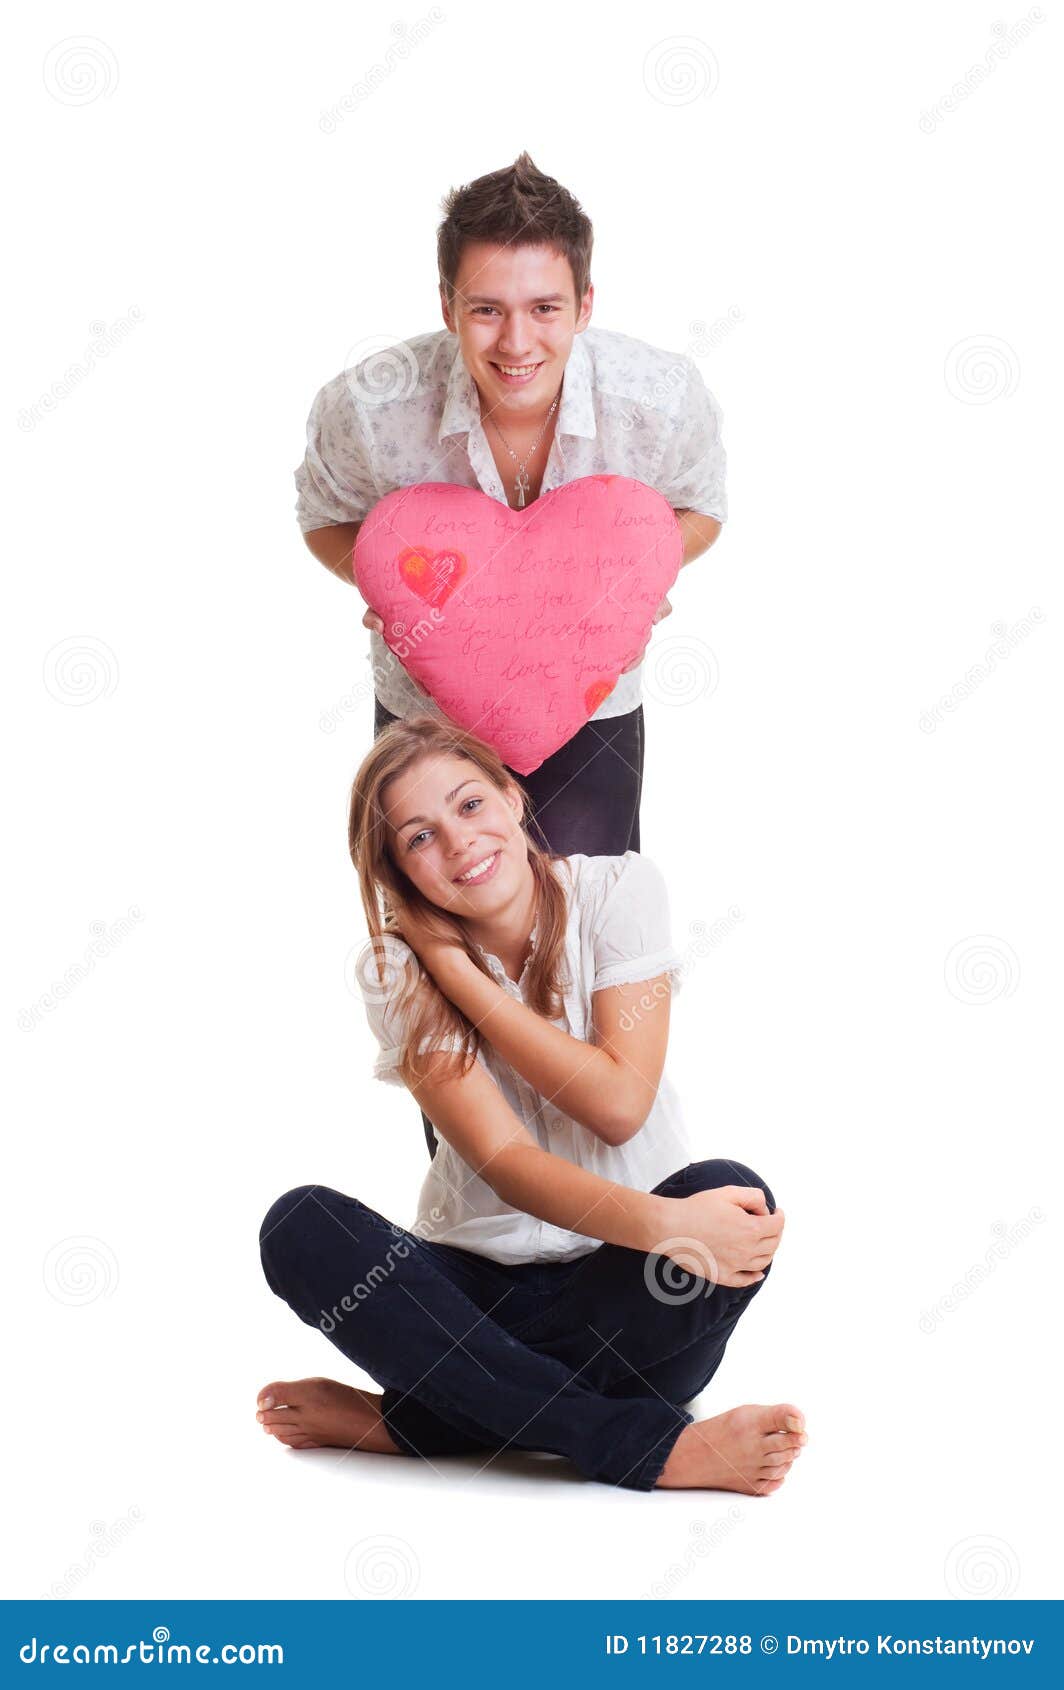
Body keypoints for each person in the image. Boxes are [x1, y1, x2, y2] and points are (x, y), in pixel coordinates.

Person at [257, 716, 805, 1494]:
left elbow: (617, 1105)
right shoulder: (395, 969)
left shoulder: (620, 892)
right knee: (301, 1227)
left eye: (471, 805)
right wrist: (441, 963)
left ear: (515, 799)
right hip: (477, 1283)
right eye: (419, 838)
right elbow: (509, 1165)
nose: (458, 845)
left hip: (629, 1292)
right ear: (398, 873)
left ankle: (428, 1414)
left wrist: (463, 975)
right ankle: (635, 1444)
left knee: (733, 1193)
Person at [294, 150, 728, 859]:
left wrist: (636, 579)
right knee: (433, 940)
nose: (517, 342)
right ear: (447, 306)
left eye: (545, 308)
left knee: (587, 927)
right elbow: (325, 513)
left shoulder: (659, 399)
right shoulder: (369, 406)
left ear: (586, 304)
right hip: (426, 709)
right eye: (487, 310)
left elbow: (700, 504)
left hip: (591, 702)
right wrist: (385, 581)